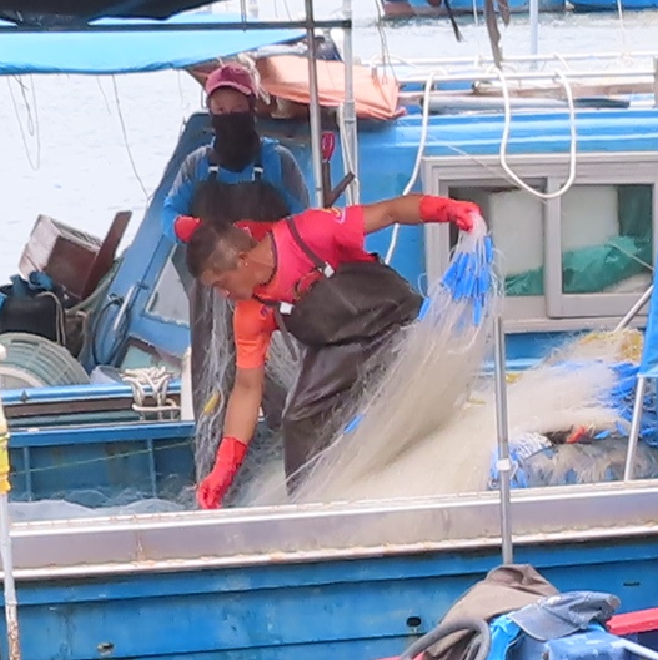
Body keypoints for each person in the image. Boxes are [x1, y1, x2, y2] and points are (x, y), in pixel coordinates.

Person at [183, 193, 489, 507]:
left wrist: (447, 210)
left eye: (221, 284)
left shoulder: (308, 233)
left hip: (397, 323)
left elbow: (388, 211)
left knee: (401, 389)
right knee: (299, 419)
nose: (222, 295)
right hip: (338, 348)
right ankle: (311, 508)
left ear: (242, 260)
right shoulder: (249, 313)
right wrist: (224, 467)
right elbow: (247, 389)